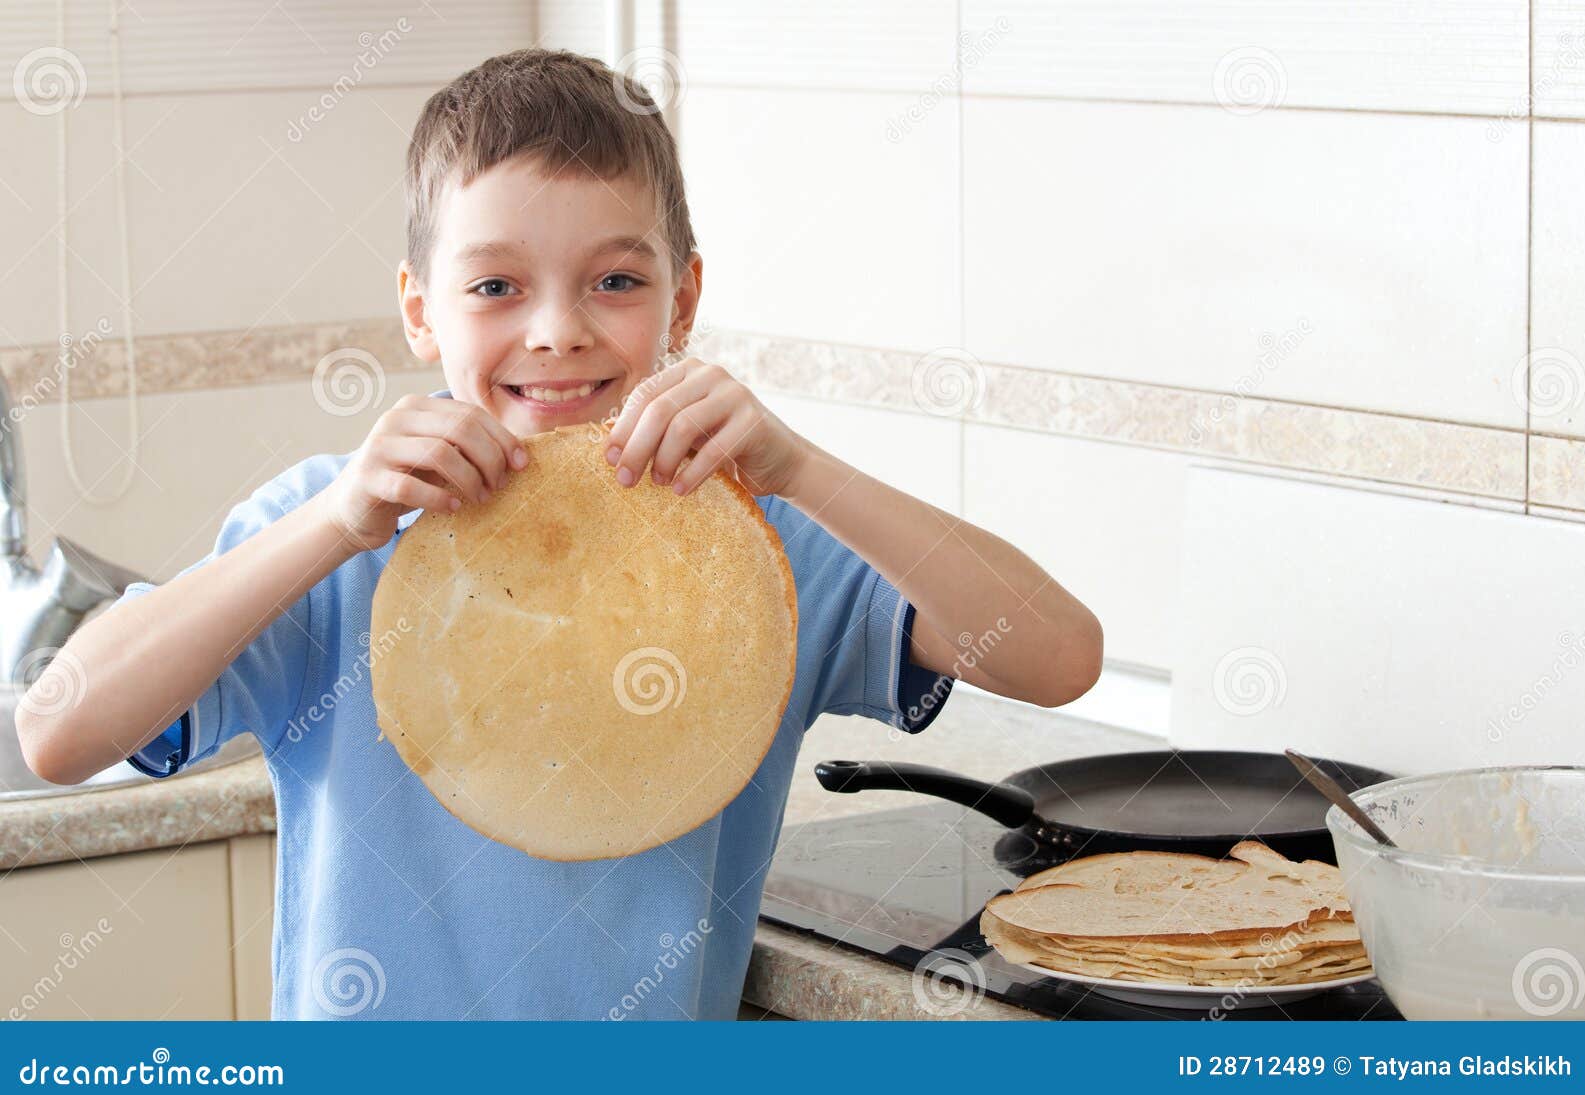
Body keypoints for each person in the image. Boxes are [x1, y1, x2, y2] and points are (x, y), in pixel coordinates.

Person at [16, 48, 1102, 1019]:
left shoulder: (756, 534)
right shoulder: (337, 531)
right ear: (418, 309)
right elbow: (58, 732)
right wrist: (334, 524)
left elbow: (1058, 656)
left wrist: (800, 469)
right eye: (494, 284)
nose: (556, 329)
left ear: (682, 303)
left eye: (615, 281)